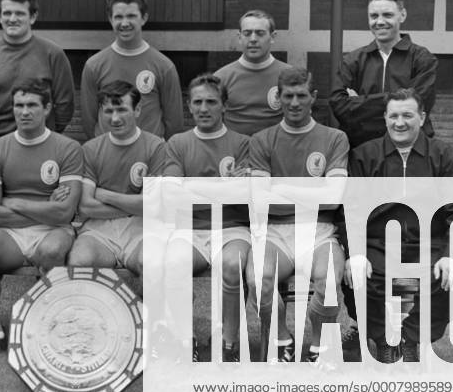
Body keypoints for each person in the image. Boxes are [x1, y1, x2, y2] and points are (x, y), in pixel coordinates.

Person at [345, 88, 453, 363]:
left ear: (422, 117)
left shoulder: (446, 157)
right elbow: (352, 210)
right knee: (356, 275)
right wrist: (355, 253)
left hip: (429, 244)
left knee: (450, 279)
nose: (400, 122)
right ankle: (384, 340)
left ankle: (412, 340)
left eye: (407, 115)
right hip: (378, 245)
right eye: (393, 116)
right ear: (384, 117)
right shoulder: (364, 156)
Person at [0, 80, 83, 357]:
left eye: (32, 105)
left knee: (52, 251)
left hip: (54, 230)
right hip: (12, 235)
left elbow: (65, 213)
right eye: (19, 105)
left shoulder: (68, 148)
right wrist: (44, 207)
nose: (25, 111)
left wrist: (15, 203)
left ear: (47, 108)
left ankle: (46, 327)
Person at [246, 67, 349, 363]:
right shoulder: (262, 140)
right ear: (278, 98)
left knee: (329, 281)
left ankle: (318, 345)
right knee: (258, 280)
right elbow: (261, 201)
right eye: (288, 96)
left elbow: (333, 199)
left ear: (313, 97)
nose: (294, 103)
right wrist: (312, 193)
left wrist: (280, 188)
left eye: (301, 95)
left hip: (319, 231)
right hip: (274, 232)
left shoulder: (334, 138)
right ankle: (282, 340)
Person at [163, 74, 251, 362]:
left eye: (211, 102)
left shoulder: (242, 143)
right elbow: (173, 195)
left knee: (232, 265)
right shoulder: (177, 143)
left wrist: (191, 187)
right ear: (189, 106)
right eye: (197, 102)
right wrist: (223, 187)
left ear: (224, 105)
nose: (204, 108)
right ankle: (184, 339)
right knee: (174, 263)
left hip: (232, 228)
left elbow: (242, 195)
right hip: (189, 229)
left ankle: (228, 342)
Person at [68, 80, 167, 275]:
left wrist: (104, 195)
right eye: (108, 111)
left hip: (142, 229)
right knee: (79, 262)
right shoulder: (90, 149)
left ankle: (146, 297)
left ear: (137, 110)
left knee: (151, 263)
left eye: (122, 110)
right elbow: (86, 207)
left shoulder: (156, 147)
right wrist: (134, 206)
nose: (114, 118)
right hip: (98, 230)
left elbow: (151, 206)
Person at [329, 0, 438, 148]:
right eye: (374, 16)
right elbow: (340, 107)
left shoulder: (423, 59)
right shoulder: (351, 61)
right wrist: (400, 99)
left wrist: (359, 103)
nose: (380, 22)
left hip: (412, 150)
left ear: (402, 15)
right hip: (363, 150)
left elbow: (419, 106)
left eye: (387, 15)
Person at [0, 0, 75, 139]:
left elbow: (65, 105)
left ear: (33, 17)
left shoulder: (53, 54)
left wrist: (46, 135)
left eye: (19, 13)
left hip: (39, 143)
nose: (12, 19)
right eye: (7, 13)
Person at [79, 0, 183, 139]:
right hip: (108, 152)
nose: (124, 23)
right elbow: (89, 120)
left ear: (144, 18)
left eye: (131, 16)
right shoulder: (94, 66)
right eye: (118, 17)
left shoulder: (164, 66)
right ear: (110, 19)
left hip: (149, 153)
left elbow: (174, 123)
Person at [212, 9, 293, 136]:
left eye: (260, 33)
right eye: (247, 33)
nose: (253, 39)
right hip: (236, 148)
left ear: (272, 37)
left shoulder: (289, 76)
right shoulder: (221, 78)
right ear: (239, 37)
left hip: (277, 147)